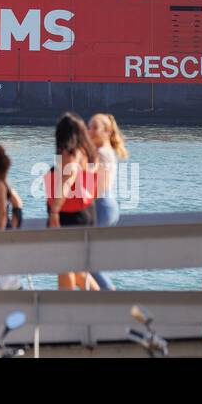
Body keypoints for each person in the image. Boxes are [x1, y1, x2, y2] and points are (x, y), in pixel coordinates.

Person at [46, 113, 98, 291]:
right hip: (86, 212)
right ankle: (98, 300)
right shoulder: (88, 153)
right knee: (75, 267)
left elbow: (69, 178)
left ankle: (65, 309)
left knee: (64, 266)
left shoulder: (69, 153)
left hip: (68, 215)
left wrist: (54, 212)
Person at [87, 113, 127, 291]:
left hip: (100, 206)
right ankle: (99, 302)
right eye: (89, 127)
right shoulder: (106, 151)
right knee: (89, 262)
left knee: (87, 263)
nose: (90, 131)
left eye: (95, 127)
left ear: (107, 131)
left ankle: (110, 297)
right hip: (108, 205)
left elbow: (97, 187)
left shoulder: (101, 153)